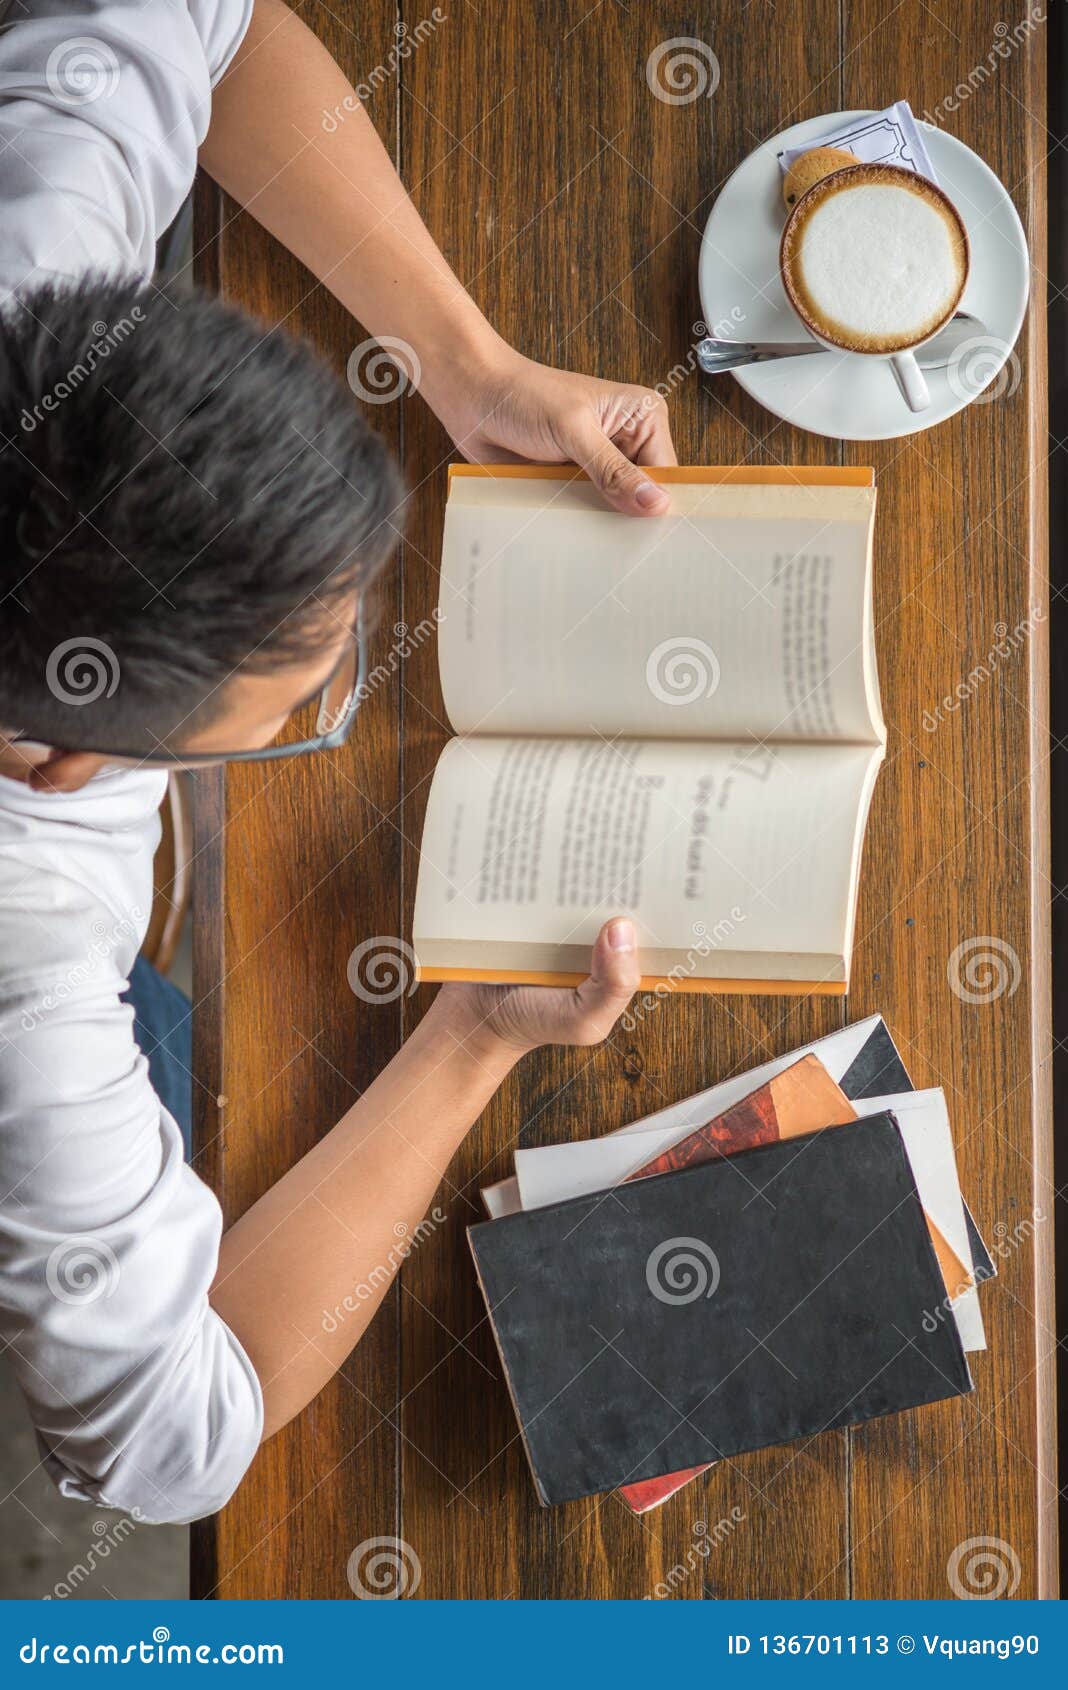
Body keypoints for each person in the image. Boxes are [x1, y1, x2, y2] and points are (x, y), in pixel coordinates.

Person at [0, 1, 675, 1523]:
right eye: (306, 695)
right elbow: (170, 1445)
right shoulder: (33, 1008)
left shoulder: (36, 276)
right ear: (65, 766)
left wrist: (469, 362)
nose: (354, 680)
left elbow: (208, 18)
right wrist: (471, 1042)